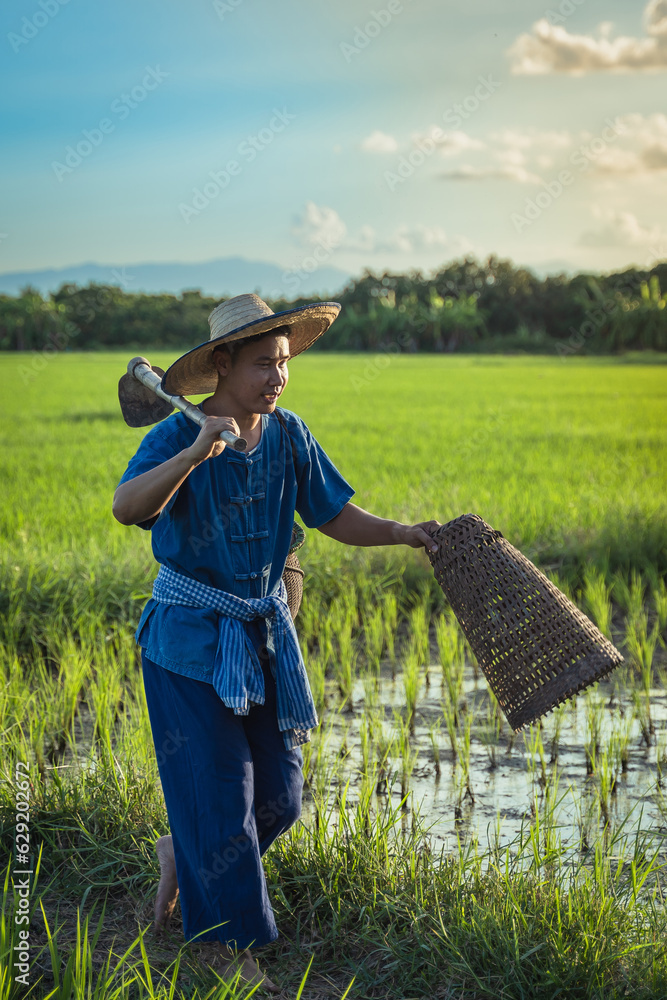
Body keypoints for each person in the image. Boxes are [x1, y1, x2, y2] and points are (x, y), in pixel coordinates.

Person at [112, 292, 439, 991]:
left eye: (284, 362)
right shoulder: (179, 434)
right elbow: (127, 507)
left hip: (261, 639)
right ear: (222, 365)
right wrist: (196, 454)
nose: (278, 377)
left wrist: (403, 533)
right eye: (263, 363)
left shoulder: (289, 435)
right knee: (218, 796)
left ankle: (182, 854)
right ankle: (226, 946)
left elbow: (334, 513)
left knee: (281, 798)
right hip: (188, 643)